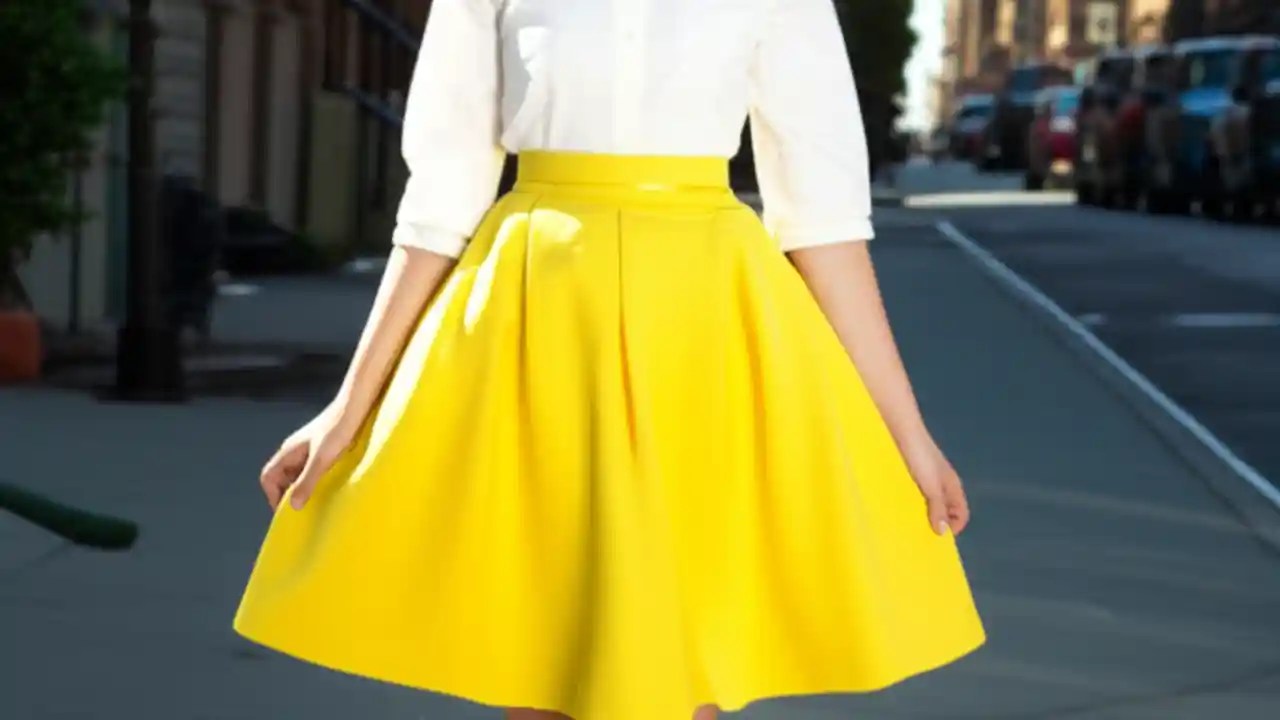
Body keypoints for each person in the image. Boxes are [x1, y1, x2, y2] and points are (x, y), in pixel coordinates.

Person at [232, 1, 987, 719]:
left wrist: (907, 434)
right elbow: (439, 201)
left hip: (702, 332)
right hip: (536, 325)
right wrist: (350, 404)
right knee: (540, 662)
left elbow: (823, 220)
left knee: (682, 670)